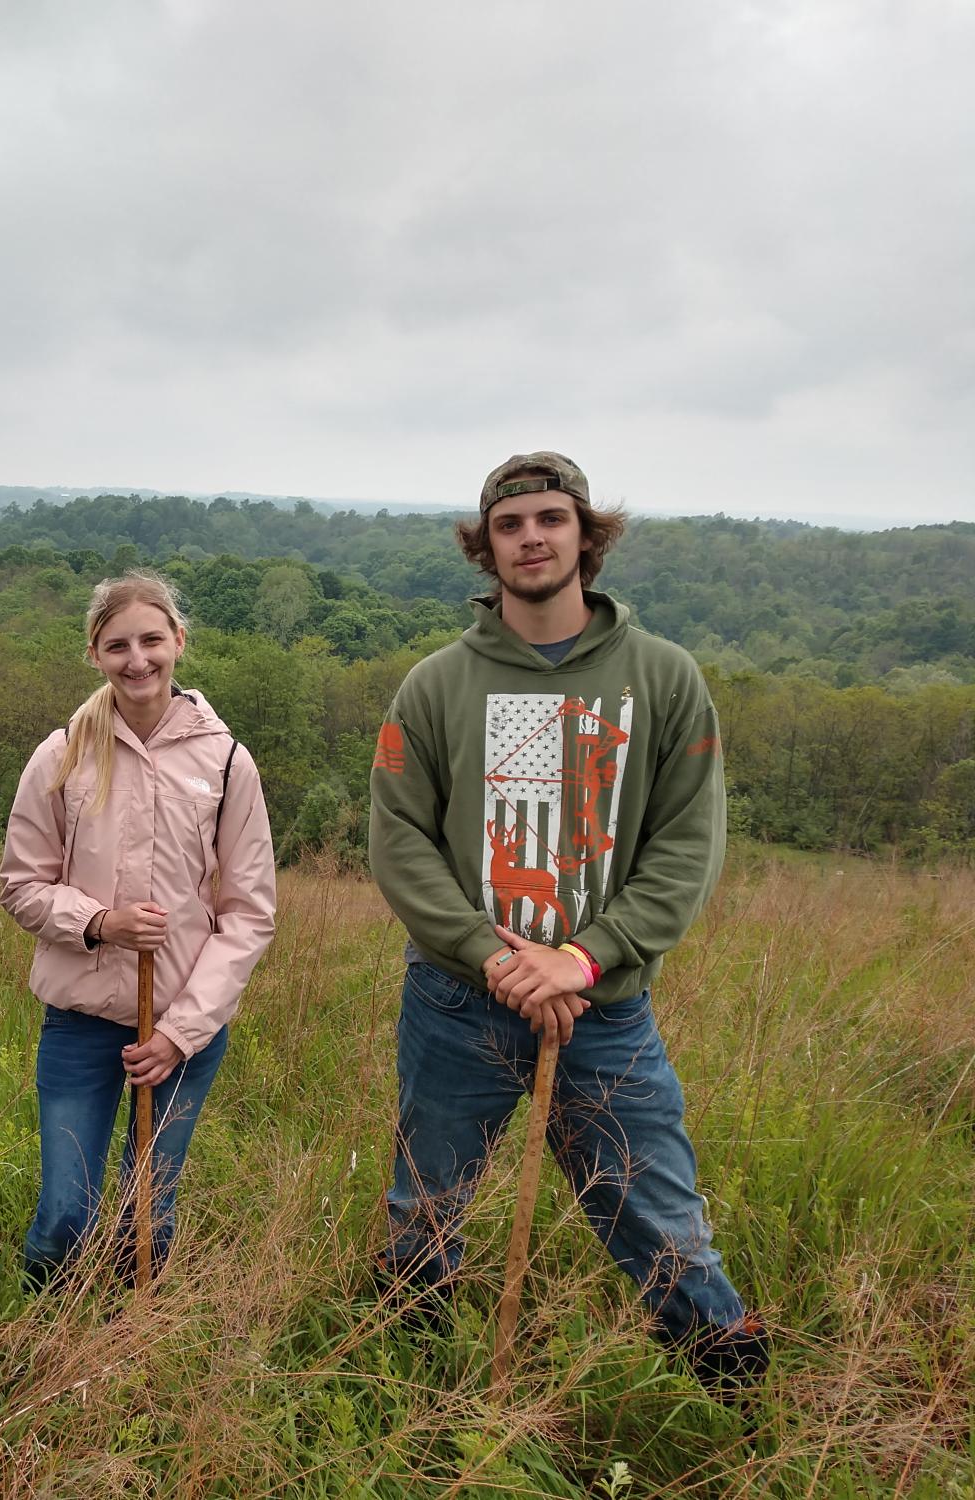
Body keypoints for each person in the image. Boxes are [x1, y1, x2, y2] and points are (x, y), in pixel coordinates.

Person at [368, 452, 767, 1389]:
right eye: (509, 525)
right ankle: (401, 1393)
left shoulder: (663, 678)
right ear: (486, 547)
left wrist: (583, 959)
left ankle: (743, 1396)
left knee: (658, 1216)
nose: (531, 538)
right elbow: (399, 841)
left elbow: (686, 847)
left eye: (551, 519)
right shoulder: (435, 685)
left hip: (604, 1011)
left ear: (588, 535)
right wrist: (492, 956)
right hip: (459, 1002)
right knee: (425, 1207)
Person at [0, 570, 276, 1290]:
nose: (138, 659)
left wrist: (181, 1032)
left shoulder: (227, 760)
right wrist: (99, 922)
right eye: (117, 645)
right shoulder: (62, 753)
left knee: (145, 1213)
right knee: (66, 1214)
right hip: (81, 1022)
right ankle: (48, 1339)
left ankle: (133, 1341)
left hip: (183, 1027)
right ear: (94, 653)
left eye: (152, 640)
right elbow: (20, 886)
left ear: (179, 641)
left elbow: (249, 913)